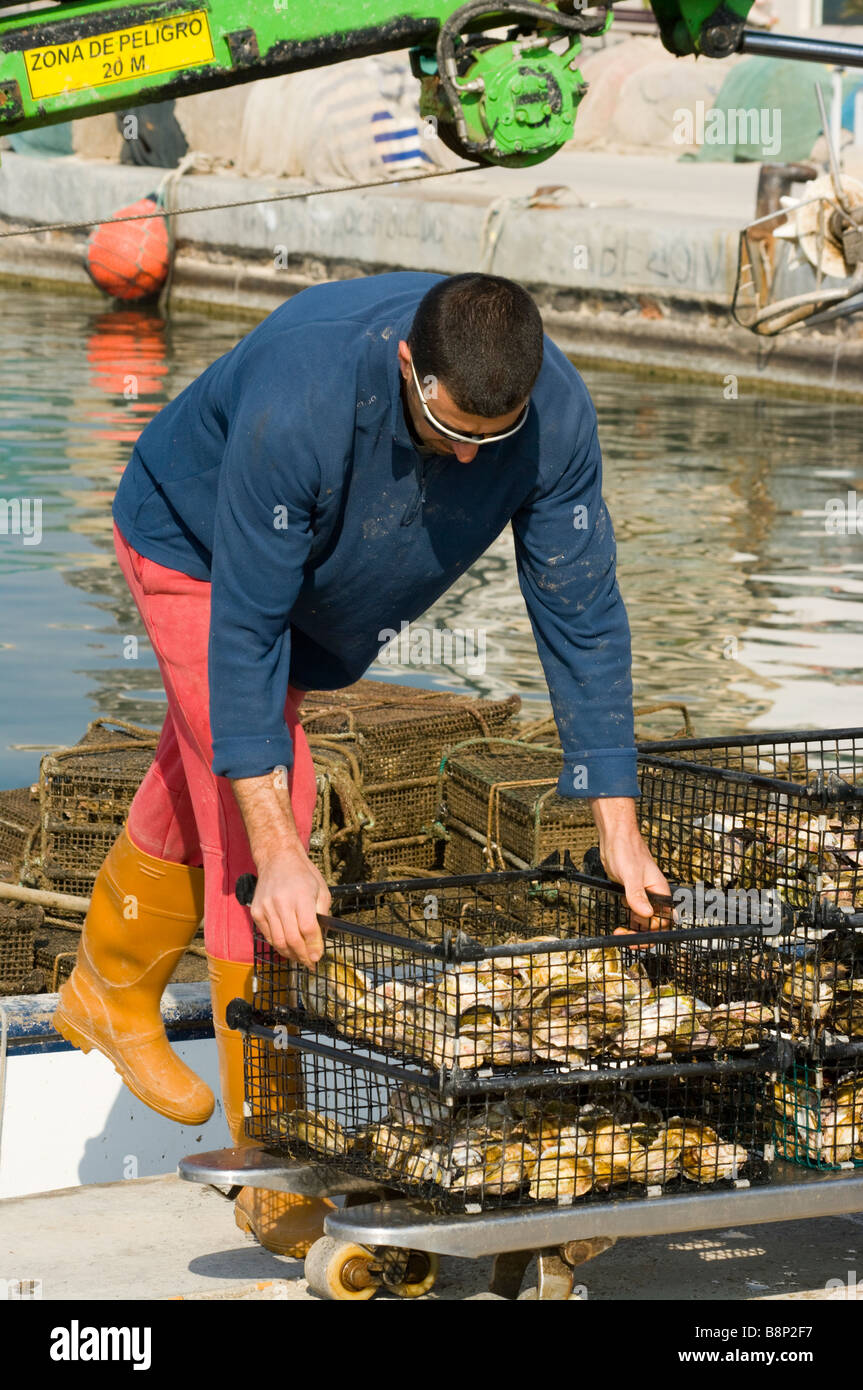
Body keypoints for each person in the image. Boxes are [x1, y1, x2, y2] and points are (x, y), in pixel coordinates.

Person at [53, 270, 670, 1255]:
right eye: (451, 426)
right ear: (404, 368)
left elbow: (582, 611)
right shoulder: (301, 399)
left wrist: (618, 824)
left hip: (315, 595)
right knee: (260, 800)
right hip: (195, 549)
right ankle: (273, 1155)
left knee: (204, 757)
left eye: (492, 434)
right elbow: (247, 634)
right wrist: (283, 848)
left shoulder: (550, 413)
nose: (471, 453)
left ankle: (109, 983)